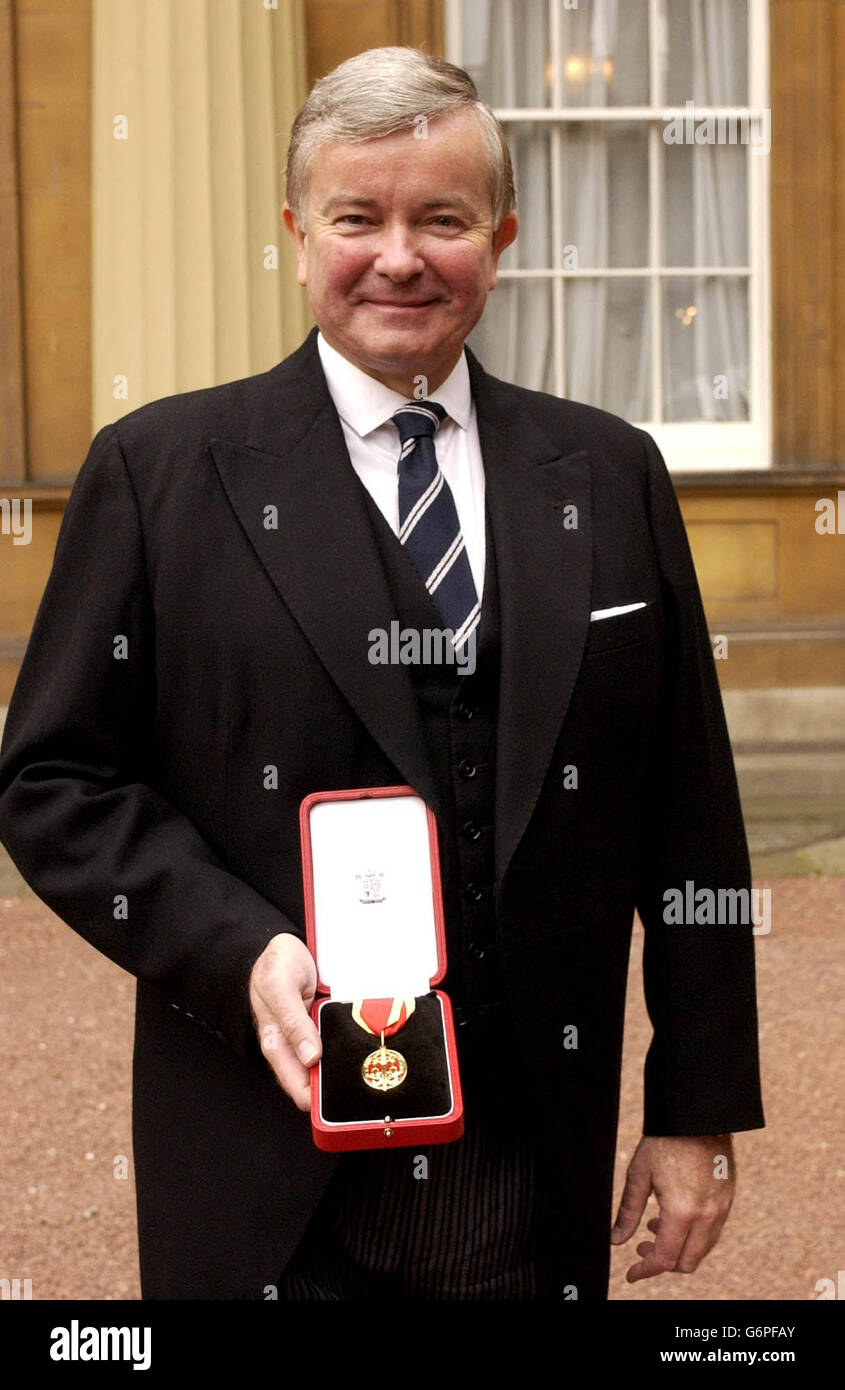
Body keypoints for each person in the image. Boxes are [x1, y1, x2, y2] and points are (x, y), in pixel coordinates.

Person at [0, 46, 764, 1301]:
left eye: (441, 220)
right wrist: (237, 952)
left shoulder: (608, 471)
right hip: (265, 1165)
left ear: (500, 239)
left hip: (527, 1165)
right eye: (357, 218)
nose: (398, 258)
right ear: (298, 236)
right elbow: (53, 782)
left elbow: (689, 818)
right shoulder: (157, 473)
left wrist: (695, 1108)